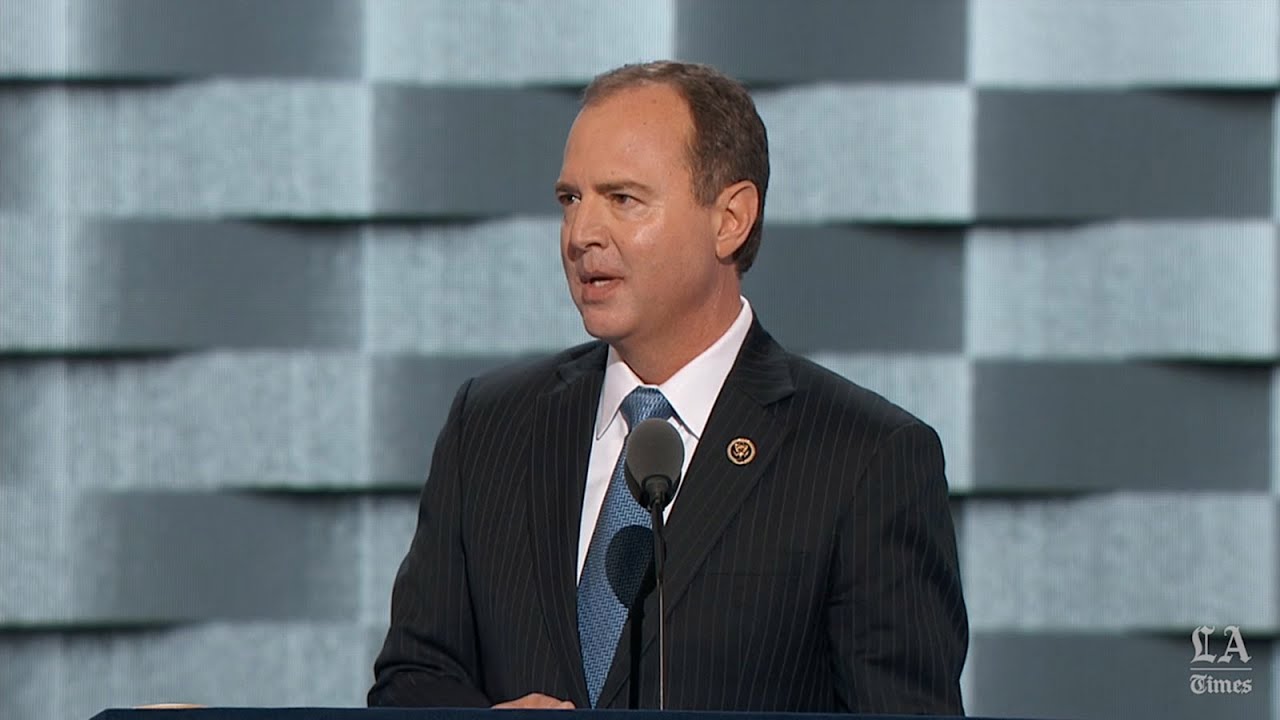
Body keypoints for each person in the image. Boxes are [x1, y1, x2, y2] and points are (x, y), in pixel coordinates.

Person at [368, 61, 967, 715]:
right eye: (570, 199)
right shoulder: (489, 425)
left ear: (730, 219)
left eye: (623, 199)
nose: (581, 235)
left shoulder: (865, 458)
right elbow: (413, 678)